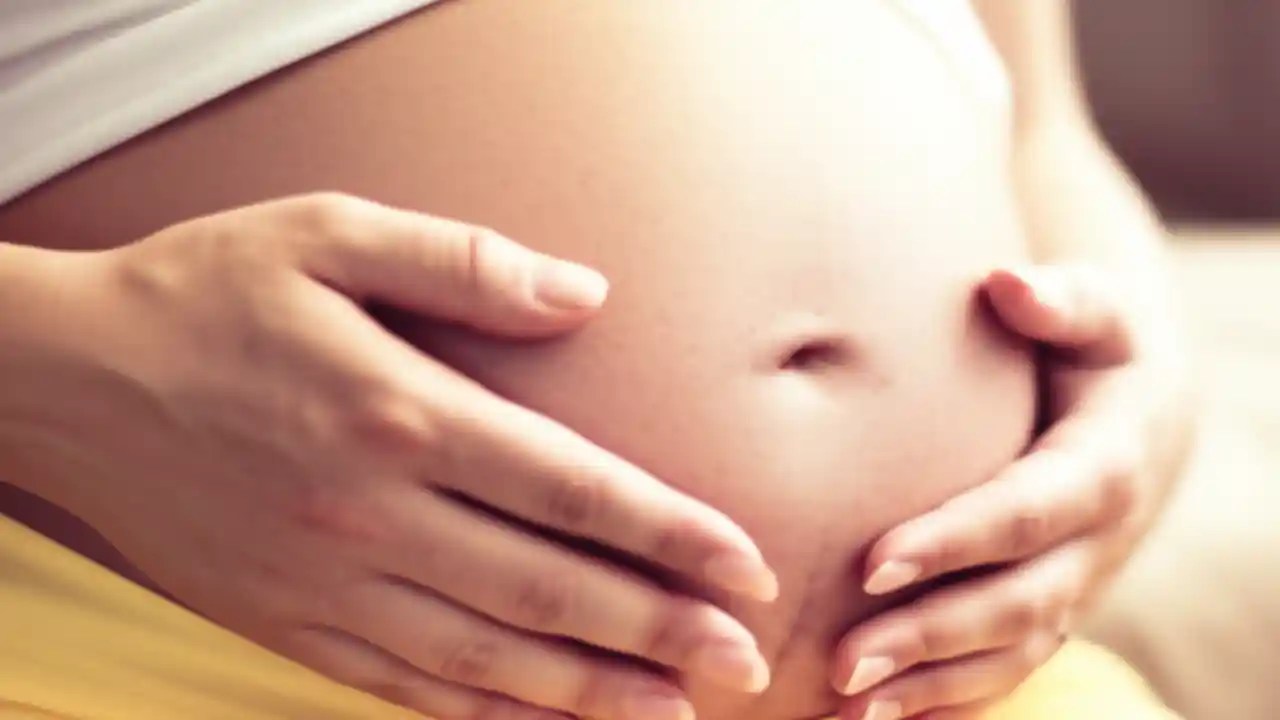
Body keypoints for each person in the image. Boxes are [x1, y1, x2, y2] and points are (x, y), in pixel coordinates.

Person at [0, 1, 1194, 719]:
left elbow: (1042, 125)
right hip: (173, 665)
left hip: (964, 691)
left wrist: (1150, 392)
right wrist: (61, 374)